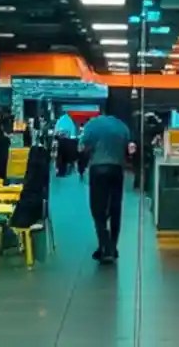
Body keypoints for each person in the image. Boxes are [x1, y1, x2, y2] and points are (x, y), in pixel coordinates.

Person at [79, 106, 133, 264]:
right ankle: (113, 247)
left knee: (98, 209)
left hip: (98, 169)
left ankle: (105, 245)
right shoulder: (122, 127)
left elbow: (83, 148)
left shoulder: (92, 125)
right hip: (117, 169)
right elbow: (128, 150)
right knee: (116, 208)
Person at [53, 112, 78, 177]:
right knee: (65, 157)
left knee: (60, 156)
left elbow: (55, 133)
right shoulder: (70, 122)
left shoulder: (59, 121)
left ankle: (60, 171)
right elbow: (73, 135)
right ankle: (65, 170)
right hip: (68, 142)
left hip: (60, 142)